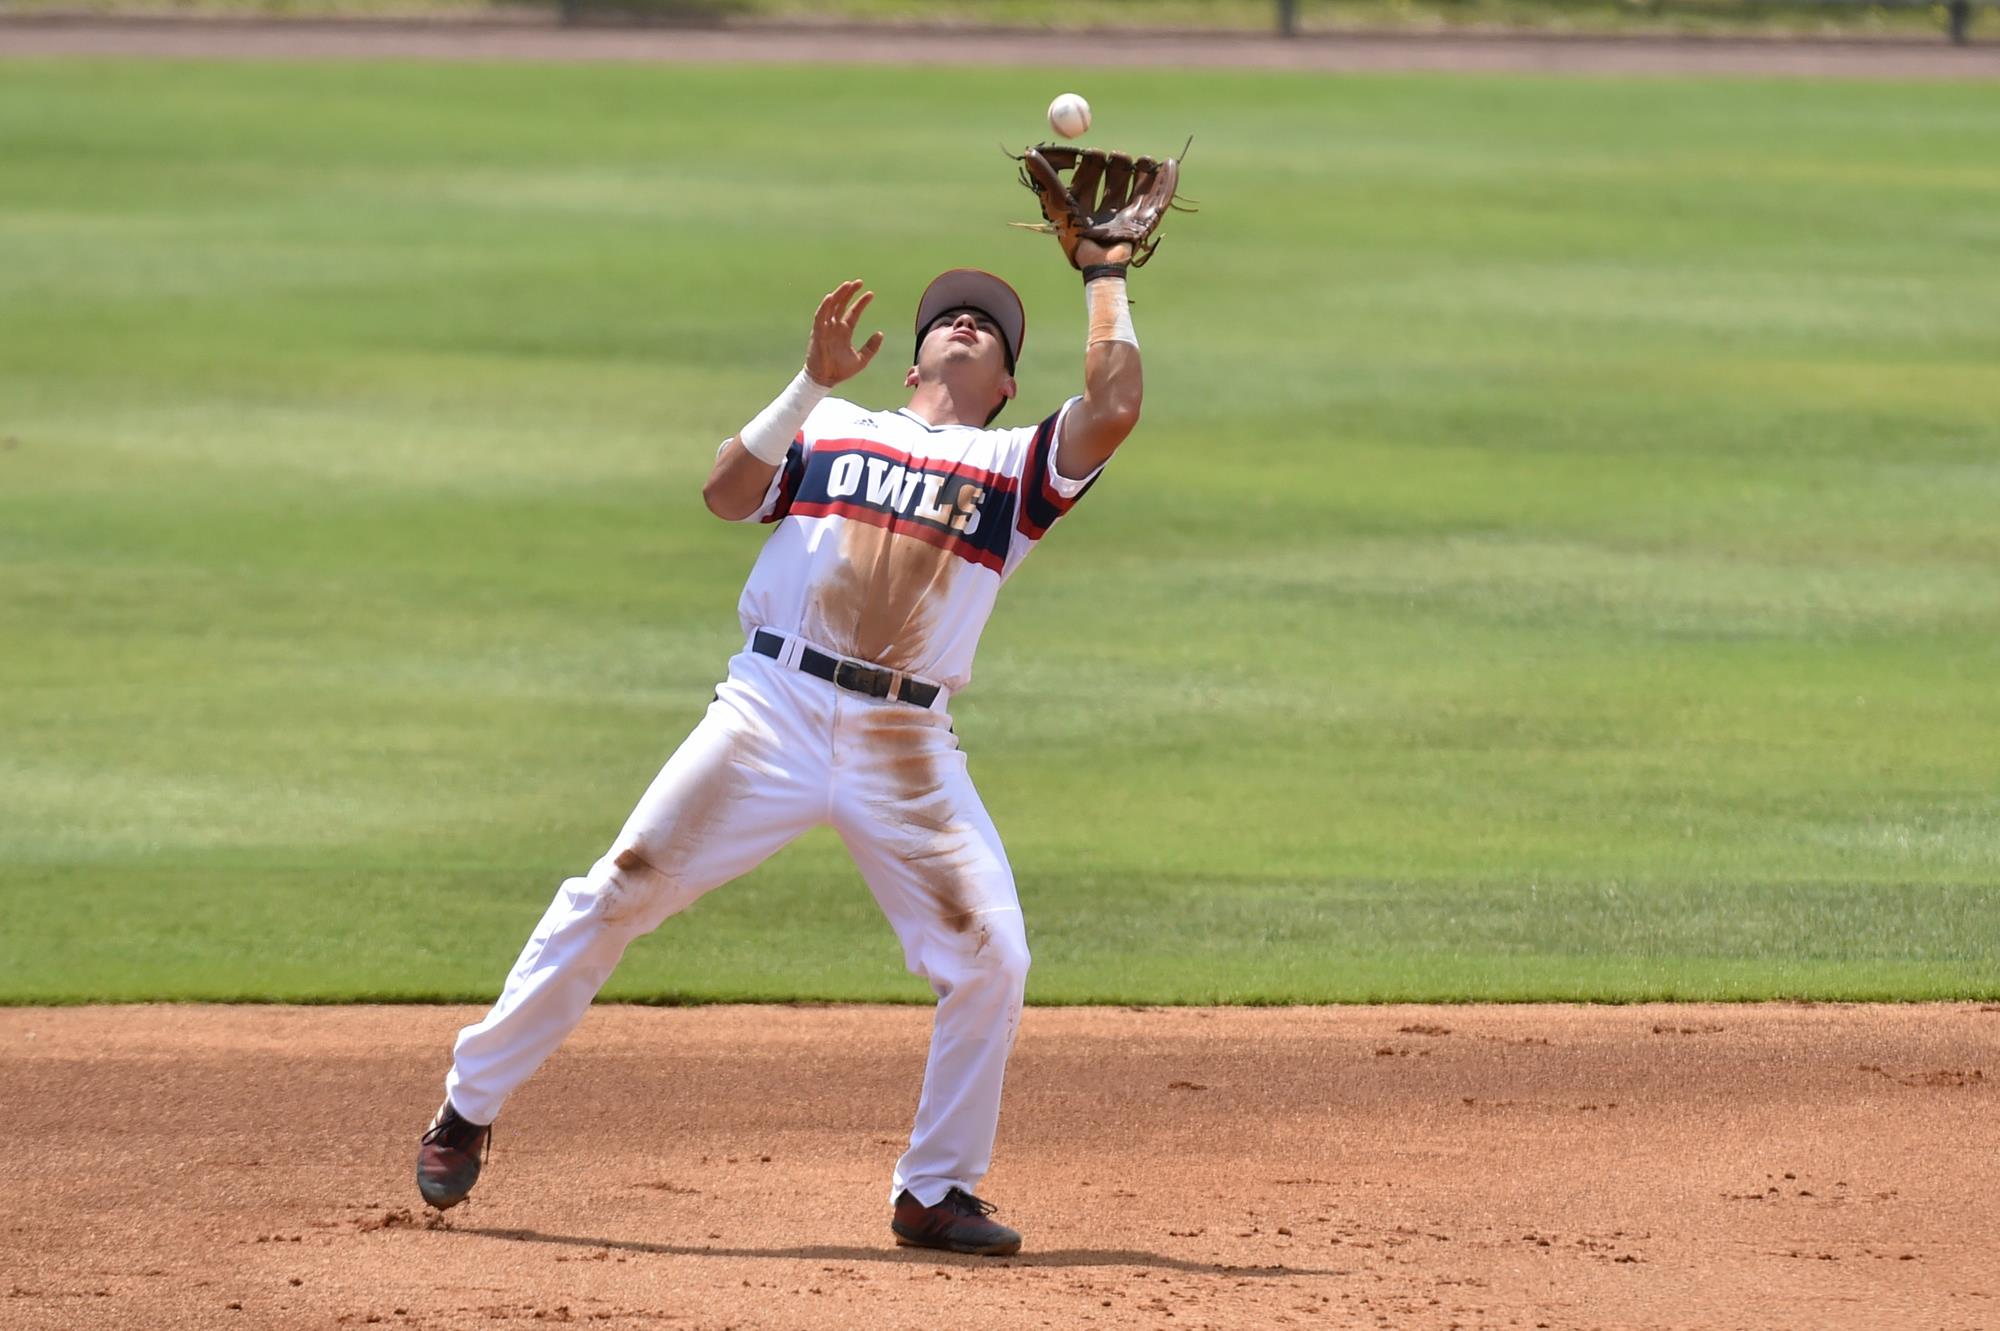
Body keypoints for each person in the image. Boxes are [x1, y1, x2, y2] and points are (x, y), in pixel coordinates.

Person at [417, 233, 1145, 1257]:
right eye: (947, 315)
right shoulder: (834, 422)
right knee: (619, 885)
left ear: (1009, 382)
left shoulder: (1014, 465)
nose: (964, 322)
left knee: (993, 954)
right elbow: (723, 492)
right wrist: (807, 380)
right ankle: (467, 1103)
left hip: (905, 741)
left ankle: (933, 1189)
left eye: (986, 324)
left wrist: (1103, 276)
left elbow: (1112, 407)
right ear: (913, 357)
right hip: (770, 709)